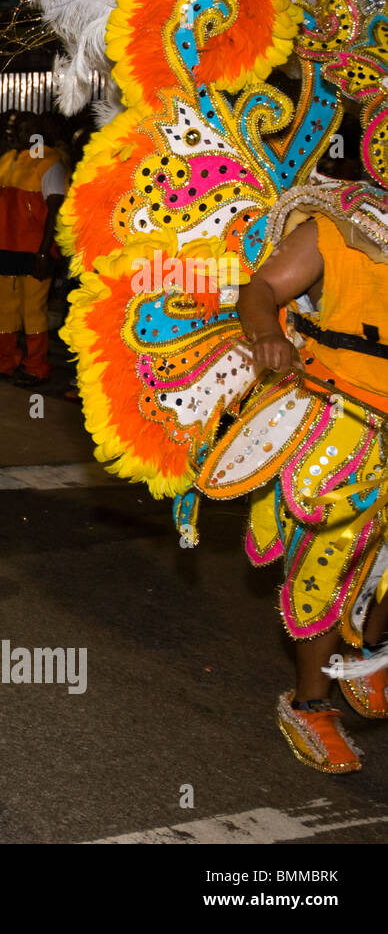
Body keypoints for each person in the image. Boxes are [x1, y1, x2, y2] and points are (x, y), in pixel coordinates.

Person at [223, 210, 388, 773]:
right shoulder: (338, 228)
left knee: (385, 567)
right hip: (347, 425)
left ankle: (366, 653)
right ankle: (310, 704)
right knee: (329, 569)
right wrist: (268, 333)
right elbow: (262, 287)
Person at [0, 111, 67, 387]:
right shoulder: (5, 160)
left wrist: (44, 251)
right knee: (3, 309)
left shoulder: (50, 161)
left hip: (34, 249)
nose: (14, 133)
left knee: (32, 312)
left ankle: (37, 367)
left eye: (22, 128)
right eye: (12, 128)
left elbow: (54, 210)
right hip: (7, 247)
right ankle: (5, 362)